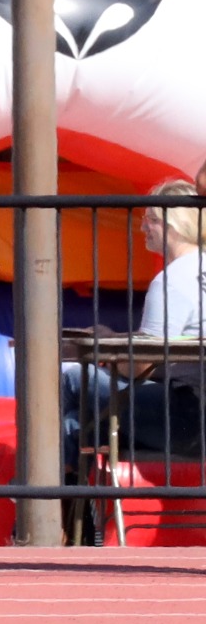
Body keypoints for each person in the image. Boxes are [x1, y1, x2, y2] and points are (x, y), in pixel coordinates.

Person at [59, 183, 206, 473]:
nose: (143, 228)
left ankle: (36, 496)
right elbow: (177, 341)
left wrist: (104, 353)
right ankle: (66, 506)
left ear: (171, 223)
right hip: (193, 413)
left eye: (149, 219)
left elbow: (140, 364)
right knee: (74, 423)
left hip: (188, 420)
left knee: (73, 379)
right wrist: (116, 338)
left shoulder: (173, 280)